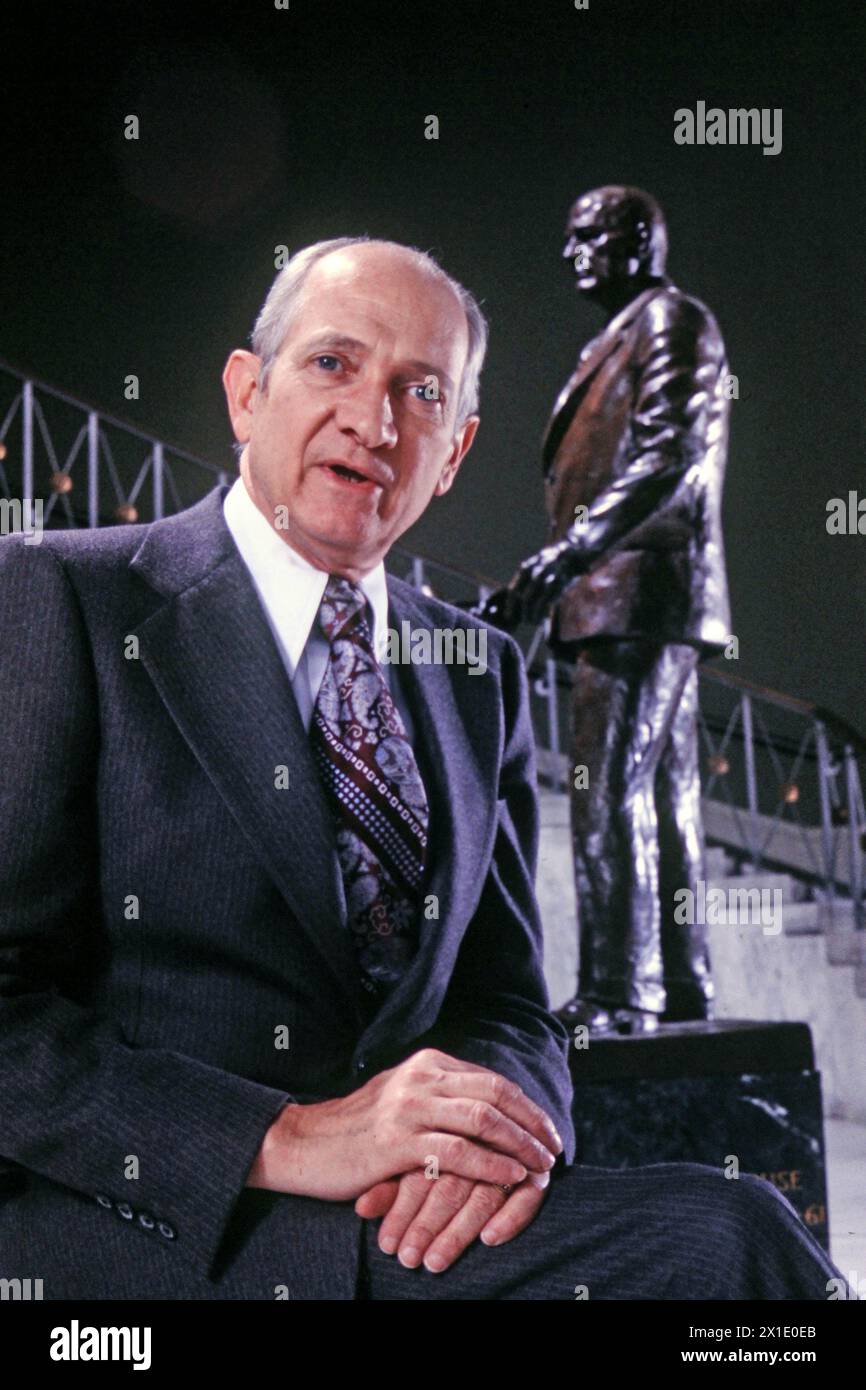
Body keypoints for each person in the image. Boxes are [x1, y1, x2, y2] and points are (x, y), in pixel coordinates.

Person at [0, 237, 847, 1299]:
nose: (375, 418)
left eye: (422, 390)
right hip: (161, 1229)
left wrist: (482, 1128)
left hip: (410, 1229)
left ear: (452, 452)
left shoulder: (474, 668)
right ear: (245, 393)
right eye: (331, 365)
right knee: (728, 1242)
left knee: (735, 1236)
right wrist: (291, 1134)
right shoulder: (61, 599)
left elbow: (506, 1000)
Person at [500, 186, 729, 1035]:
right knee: (664, 803)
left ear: (638, 240)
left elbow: (669, 454)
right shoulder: (628, 332)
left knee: (606, 797)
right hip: (633, 594)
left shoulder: (669, 322)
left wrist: (568, 553)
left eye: (586, 235)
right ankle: (680, 981)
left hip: (638, 594)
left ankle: (617, 994)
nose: (571, 254)